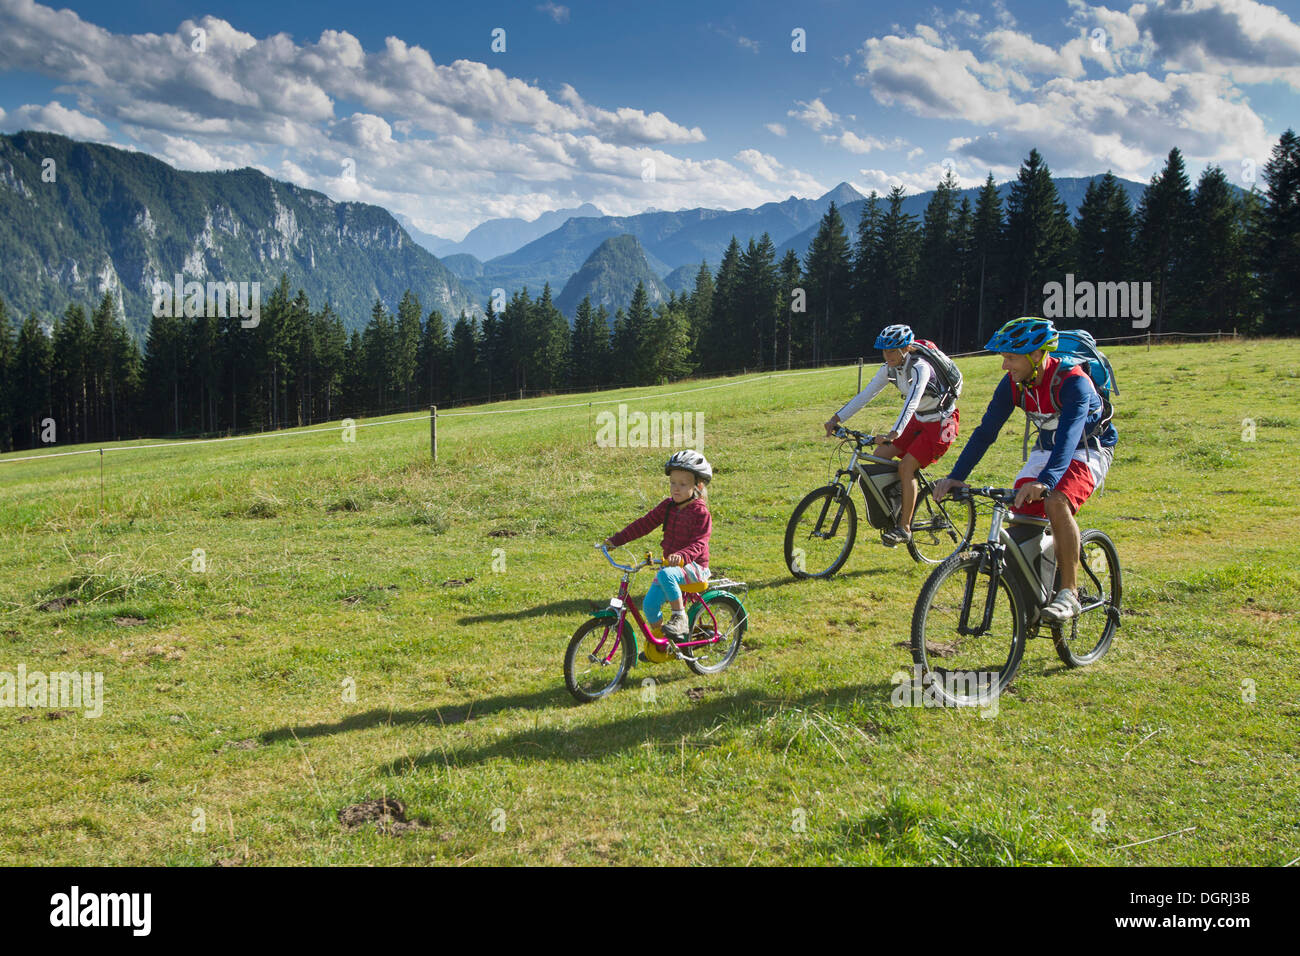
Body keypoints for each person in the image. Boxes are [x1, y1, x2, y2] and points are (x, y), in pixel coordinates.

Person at [933, 317, 1118, 622]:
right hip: (1047, 448)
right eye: (1004, 357)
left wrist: (1046, 481)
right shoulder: (1013, 385)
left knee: (1056, 501)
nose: (1005, 366)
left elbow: (1070, 439)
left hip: (1089, 448)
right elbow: (986, 432)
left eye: (1011, 358)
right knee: (1019, 515)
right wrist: (957, 476)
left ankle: (1069, 593)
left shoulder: (1074, 382)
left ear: (1037, 355)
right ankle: (1039, 591)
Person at [823, 324, 961, 546]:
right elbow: (866, 395)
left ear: (906, 348)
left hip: (942, 422)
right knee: (880, 455)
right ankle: (898, 503)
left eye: (893, 350)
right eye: (885, 351)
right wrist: (835, 419)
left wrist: (893, 433)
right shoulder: (888, 368)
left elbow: (912, 400)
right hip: (918, 419)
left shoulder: (920, 367)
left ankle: (904, 527)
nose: (888, 356)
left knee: (906, 466)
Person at [604, 450, 712, 641]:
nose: (676, 488)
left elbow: (699, 543)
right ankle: (663, 643)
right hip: (671, 568)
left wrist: (682, 556)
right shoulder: (668, 506)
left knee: (664, 574)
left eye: (683, 484)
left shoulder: (700, 513)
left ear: (698, 486)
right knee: (650, 605)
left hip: (695, 567)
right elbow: (643, 524)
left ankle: (680, 618)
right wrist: (616, 540)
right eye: (672, 483)